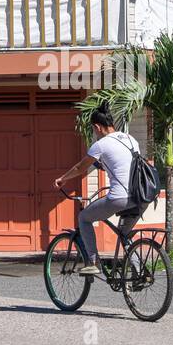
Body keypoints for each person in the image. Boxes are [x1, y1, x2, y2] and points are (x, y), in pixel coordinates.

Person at [54, 107, 141, 276]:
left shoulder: (101, 144)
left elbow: (80, 167)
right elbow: (122, 164)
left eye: (94, 130)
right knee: (124, 234)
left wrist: (62, 179)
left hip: (119, 197)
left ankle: (93, 262)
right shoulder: (131, 140)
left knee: (83, 218)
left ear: (97, 127)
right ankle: (139, 270)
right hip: (140, 196)